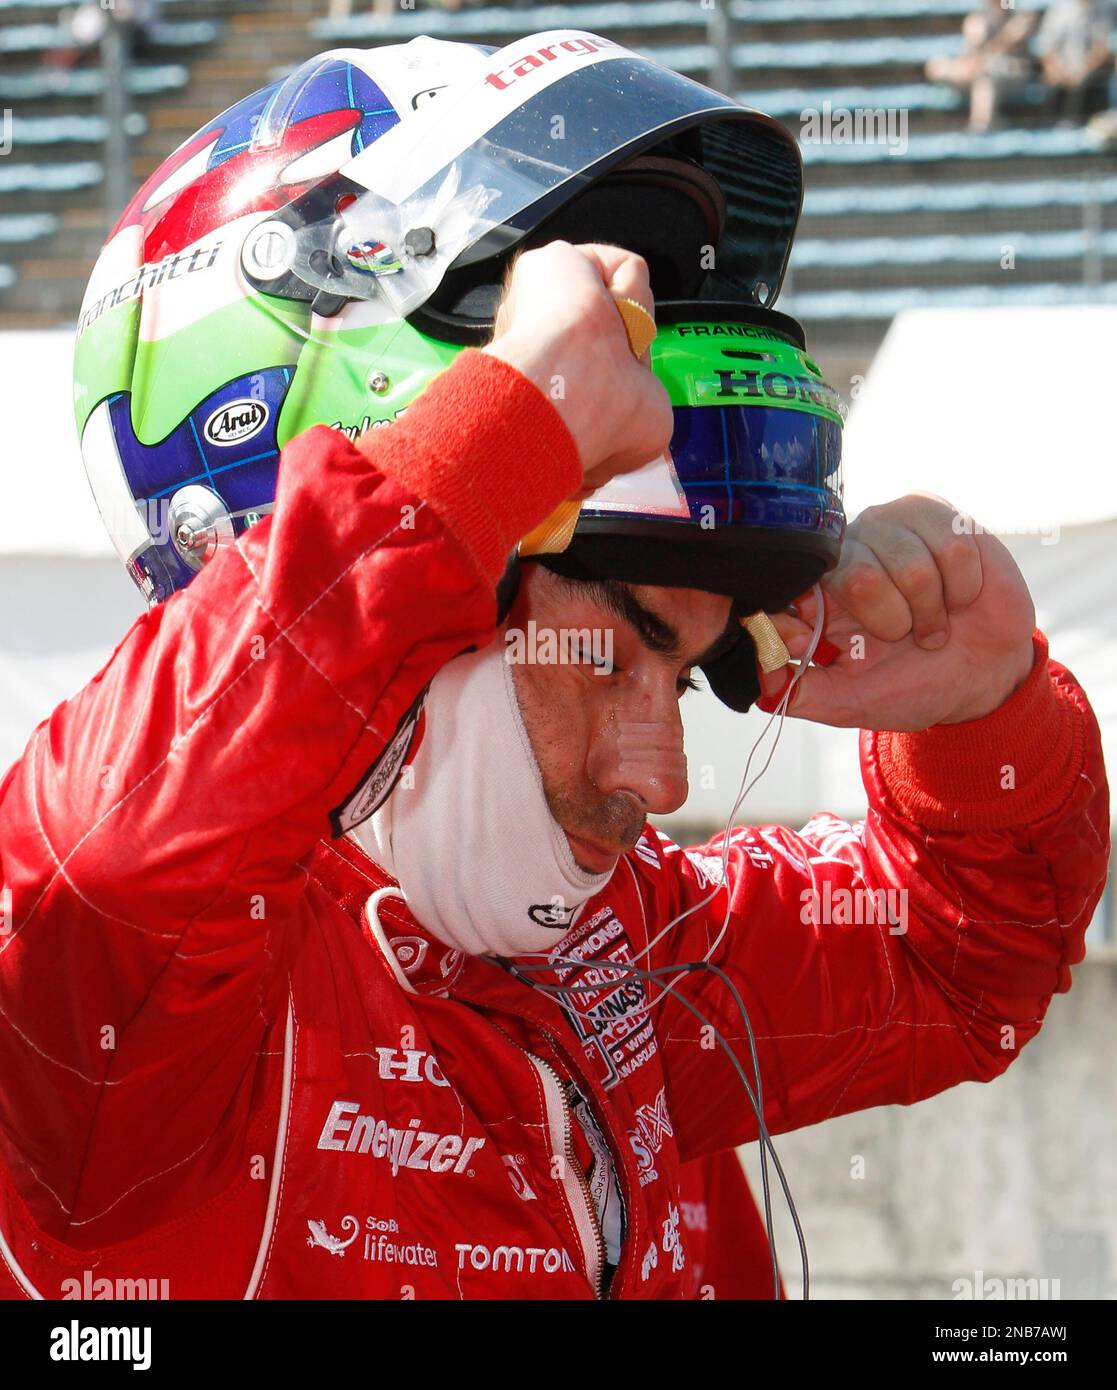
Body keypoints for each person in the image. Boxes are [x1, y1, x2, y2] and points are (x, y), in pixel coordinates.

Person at [0, 36, 1108, 1301]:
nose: (664, 770)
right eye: (622, 648)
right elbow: (103, 879)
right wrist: (482, 450)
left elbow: (958, 967)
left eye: (687, 674)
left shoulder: (632, 956)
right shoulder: (158, 1027)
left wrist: (983, 716)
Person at [925, 0, 1038, 132]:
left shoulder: (1021, 13)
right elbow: (972, 52)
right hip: (976, 70)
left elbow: (1008, 41)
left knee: (985, 75)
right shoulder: (979, 17)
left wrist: (978, 62)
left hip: (1014, 72)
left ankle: (981, 126)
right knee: (937, 67)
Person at [1036, 0, 1114, 124]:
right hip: (1061, 72)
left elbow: (1101, 48)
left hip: (1090, 72)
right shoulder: (1058, 10)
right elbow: (1047, 49)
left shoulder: (1104, 8)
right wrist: (1061, 72)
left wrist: (1082, 72)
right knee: (1052, 79)